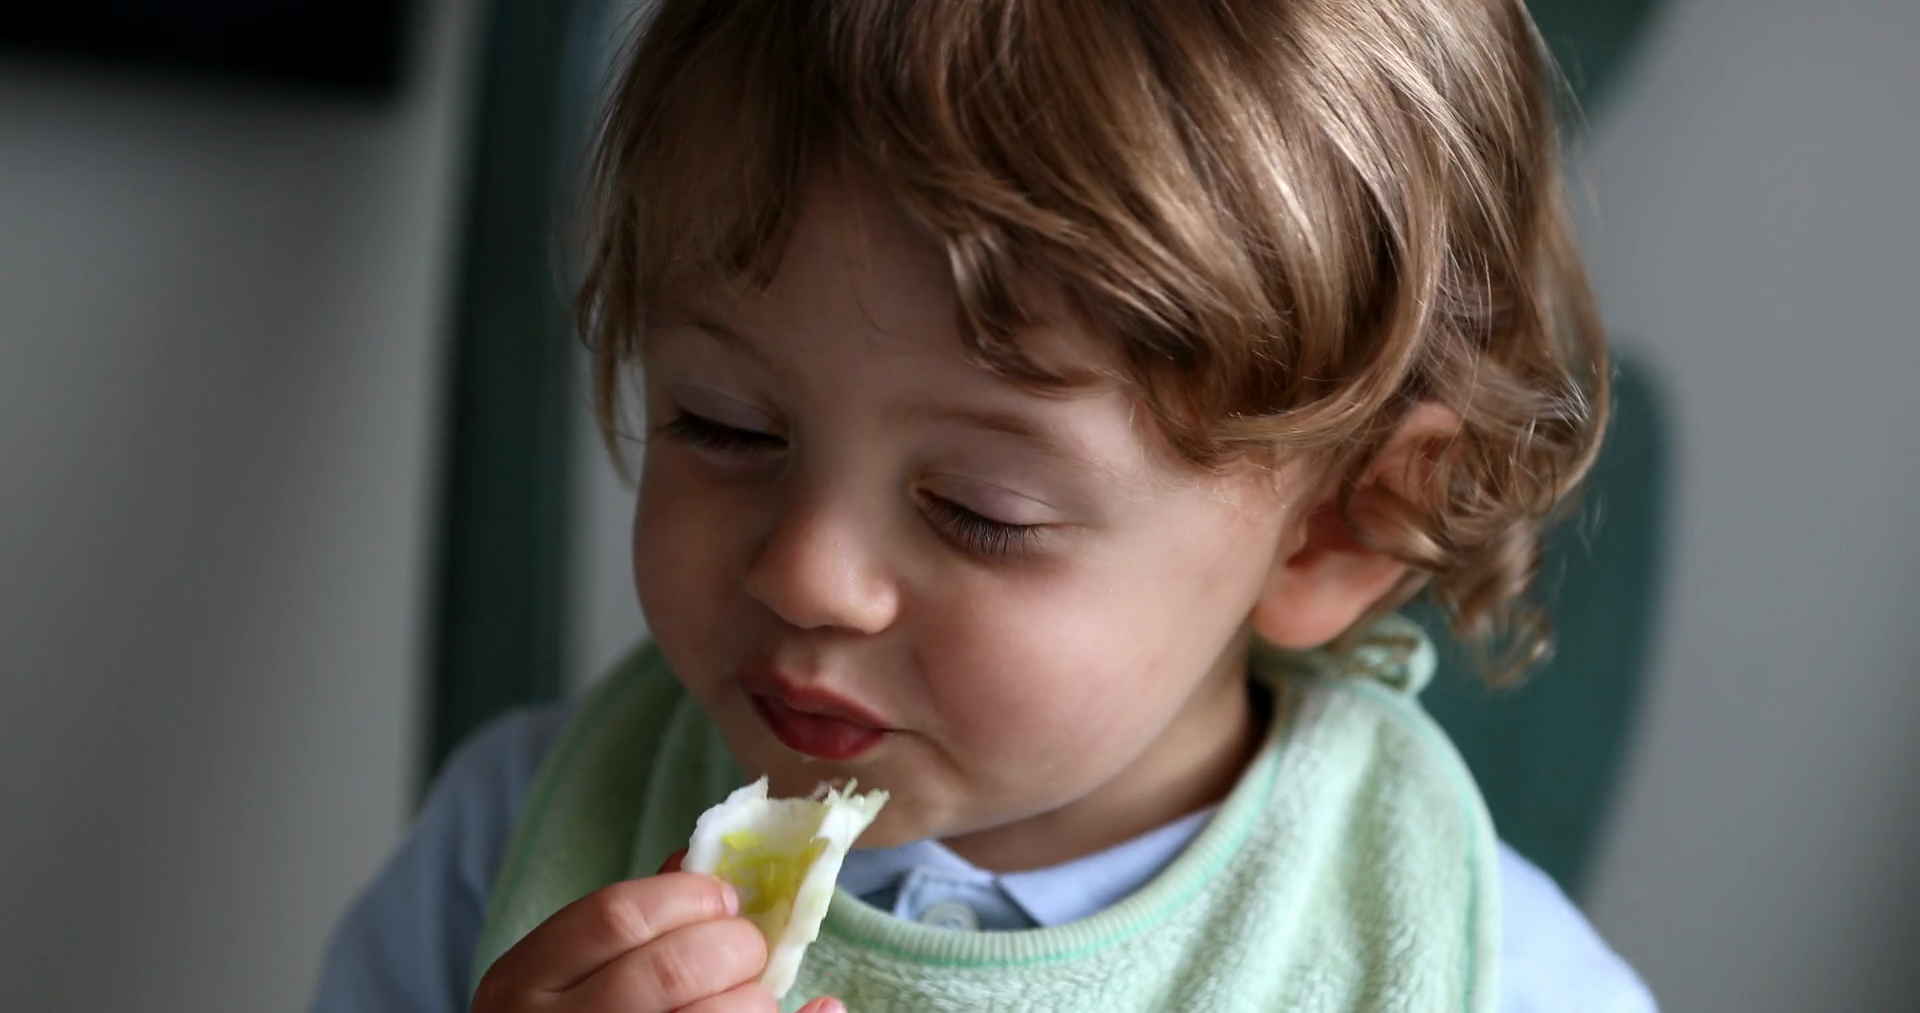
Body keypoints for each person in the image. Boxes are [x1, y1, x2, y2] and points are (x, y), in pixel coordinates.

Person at [313, 0, 1657, 1009]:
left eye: (981, 507)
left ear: (1332, 531)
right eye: (724, 426)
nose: (807, 573)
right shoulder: (520, 842)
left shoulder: (1479, 969)